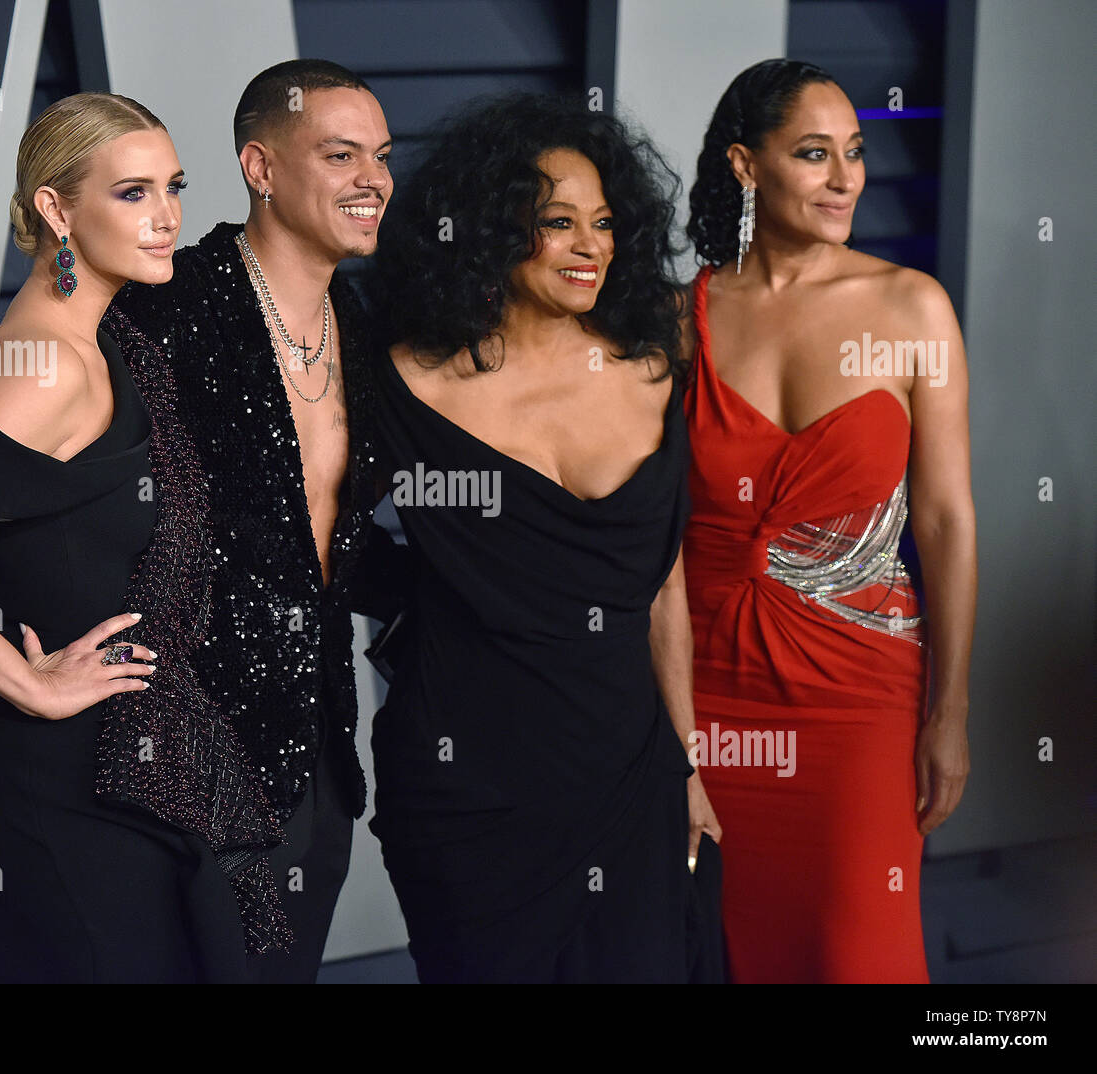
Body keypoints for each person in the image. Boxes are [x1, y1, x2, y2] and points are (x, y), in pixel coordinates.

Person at [0, 60, 395, 982]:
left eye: (382, 156)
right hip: (162, 753)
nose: (372, 179)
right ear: (261, 168)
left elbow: (337, 548)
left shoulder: (368, 322)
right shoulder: (155, 297)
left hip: (313, 745)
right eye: (340, 154)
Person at [0, 93, 278, 982]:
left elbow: (13, 526)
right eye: (132, 193)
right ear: (56, 209)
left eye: (172, 186)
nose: (167, 216)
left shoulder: (101, 338)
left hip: (129, 764)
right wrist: (28, 682)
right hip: (67, 782)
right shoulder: (47, 360)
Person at [368, 93, 721, 983]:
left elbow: (665, 585)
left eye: (602, 224)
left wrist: (685, 762)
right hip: (467, 787)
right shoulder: (403, 382)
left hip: (627, 771)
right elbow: (293, 536)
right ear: (491, 231)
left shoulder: (651, 366)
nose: (590, 246)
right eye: (557, 223)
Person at [683, 59, 976, 982]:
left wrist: (950, 712)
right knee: (728, 950)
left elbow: (946, 521)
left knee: (858, 952)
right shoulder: (675, 317)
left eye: (854, 153)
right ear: (745, 165)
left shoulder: (910, 306)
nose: (847, 177)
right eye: (815, 155)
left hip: (860, 697)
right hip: (706, 695)